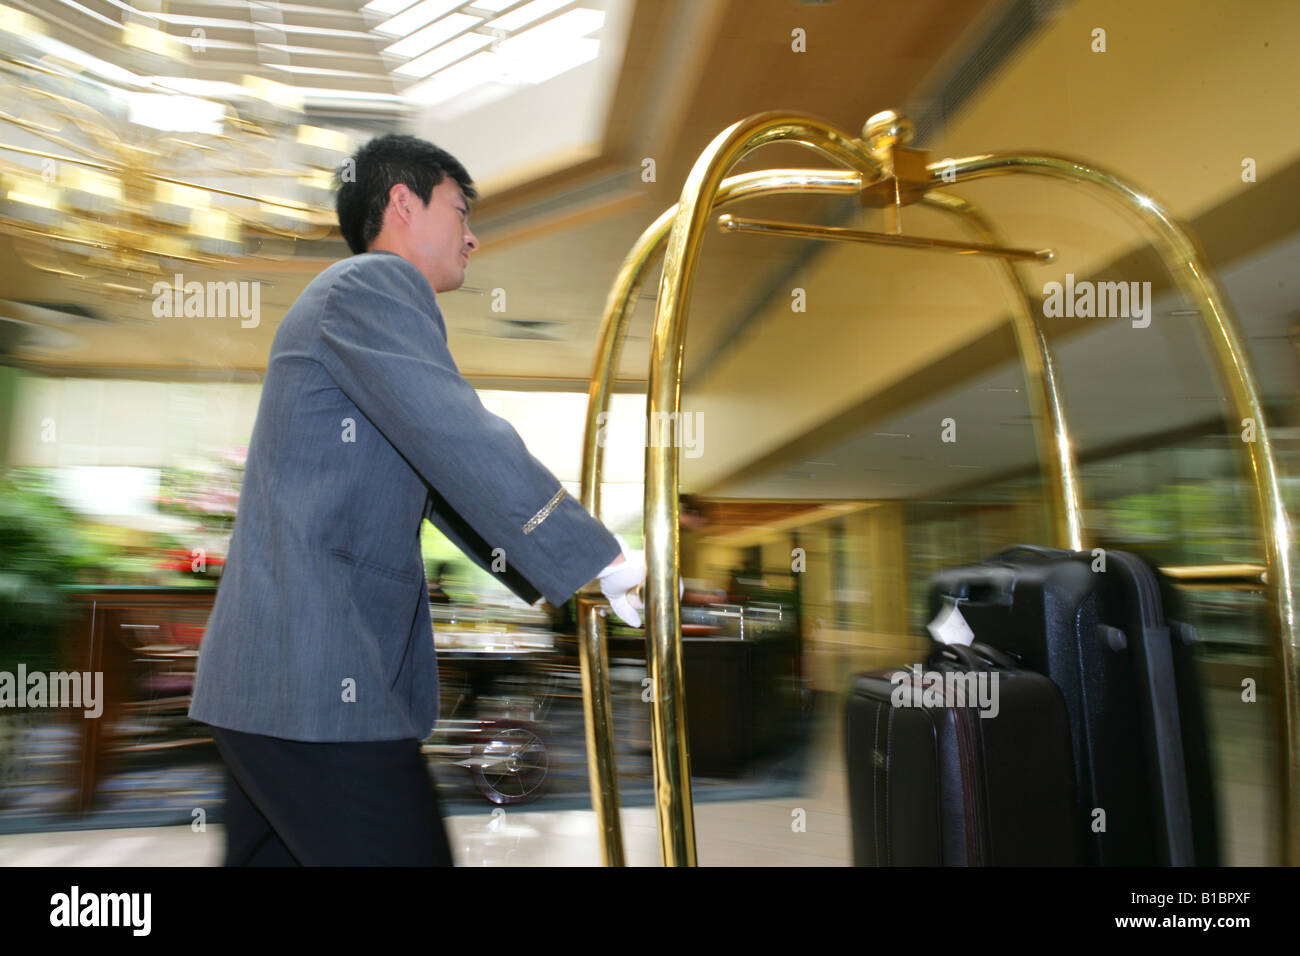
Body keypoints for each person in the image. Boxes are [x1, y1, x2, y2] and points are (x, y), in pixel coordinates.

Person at [189, 134, 646, 866]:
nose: (472, 235)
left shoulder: (345, 302)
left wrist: (578, 566)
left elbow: (440, 482)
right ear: (402, 203)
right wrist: (598, 550)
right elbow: (457, 434)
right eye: (460, 209)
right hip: (318, 683)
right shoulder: (372, 285)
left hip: (266, 691)